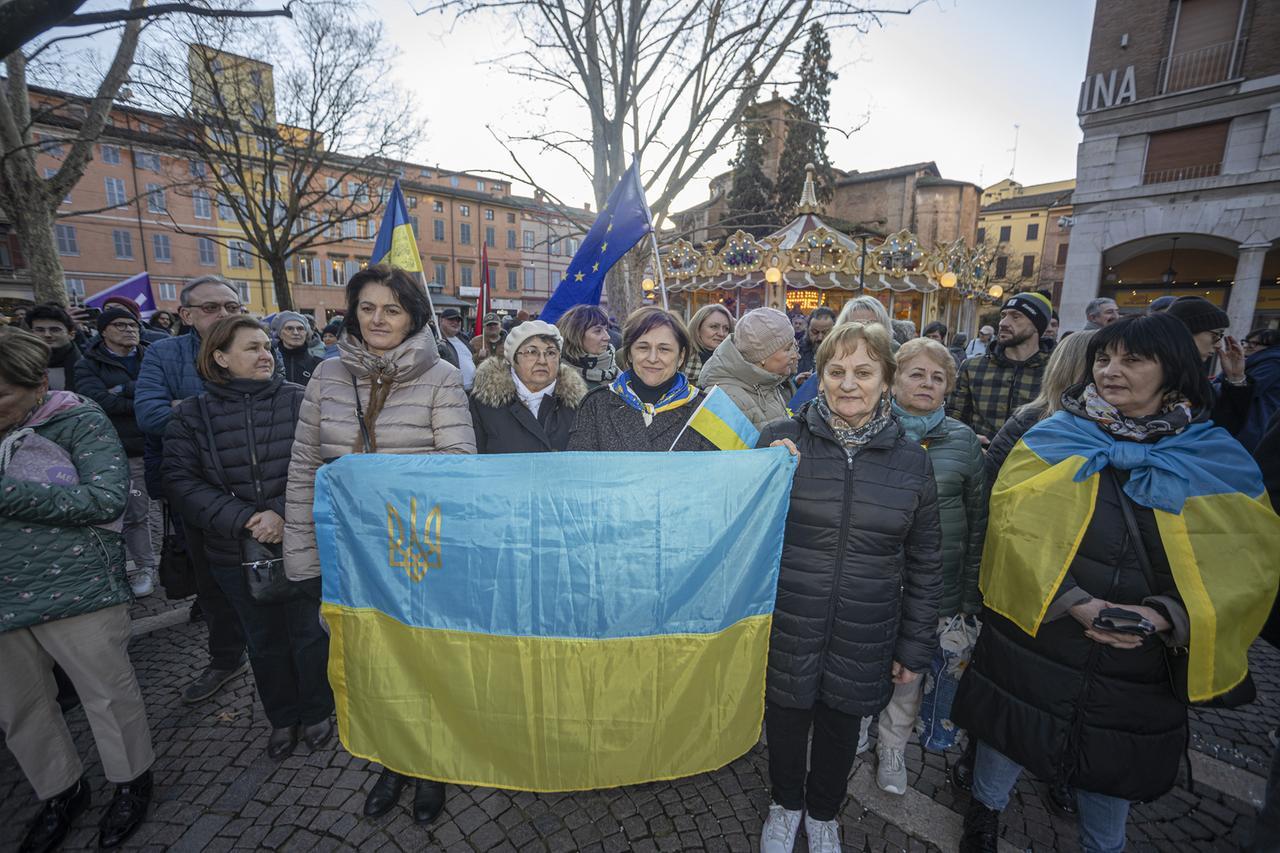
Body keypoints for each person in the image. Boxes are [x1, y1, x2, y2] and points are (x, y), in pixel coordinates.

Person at [955, 314, 1279, 853]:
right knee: (1008, 732)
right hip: (1041, 634)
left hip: (1140, 658)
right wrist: (1072, 601)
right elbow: (1009, 530)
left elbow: (1246, 564)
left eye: (1132, 360)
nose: (1110, 371)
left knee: (1111, 766)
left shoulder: (1216, 457)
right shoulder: (1054, 436)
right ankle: (983, 815)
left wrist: (1166, 616)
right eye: (1104, 359)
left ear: (1173, 370)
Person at [285, 264, 473, 825]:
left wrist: (372, 480)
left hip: (417, 545)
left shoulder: (441, 377)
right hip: (350, 550)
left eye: (391, 309)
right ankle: (393, 758)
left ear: (412, 316)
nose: (377, 319)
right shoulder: (326, 376)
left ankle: (431, 761)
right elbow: (304, 467)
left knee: (423, 654)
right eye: (367, 308)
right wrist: (303, 552)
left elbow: (459, 466)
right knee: (372, 659)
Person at [756, 321, 942, 853]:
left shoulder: (912, 461)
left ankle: (823, 813)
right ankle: (785, 804)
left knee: (841, 729)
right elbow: (741, 532)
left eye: (863, 372)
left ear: (886, 380)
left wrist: (913, 646)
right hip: (790, 618)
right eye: (835, 371)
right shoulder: (781, 440)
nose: (848, 384)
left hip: (866, 626)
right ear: (819, 378)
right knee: (785, 722)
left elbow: (926, 562)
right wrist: (762, 471)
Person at [0, 327, 156, 851]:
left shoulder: (77, 420)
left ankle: (132, 782)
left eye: (2, 394)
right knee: (20, 706)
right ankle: (60, 791)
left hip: (74, 585)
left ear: (38, 386)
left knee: (106, 693)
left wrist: (8, 493)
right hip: (3, 597)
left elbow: (106, 499)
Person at [164, 316, 333, 762]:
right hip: (233, 549)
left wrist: (281, 512)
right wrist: (246, 518)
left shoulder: (300, 400)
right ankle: (283, 717)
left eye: (266, 346)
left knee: (310, 633)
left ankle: (318, 710)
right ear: (220, 357)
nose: (265, 355)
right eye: (252, 348)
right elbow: (181, 482)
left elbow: (326, 462)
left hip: (302, 540)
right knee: (262, 641)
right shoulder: (190, 416)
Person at [135, 275, 257, 706]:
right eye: (211, 308)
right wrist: (226, 409)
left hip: (256, 484)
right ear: (186, 315)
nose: (223, 315)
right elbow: (150, 415)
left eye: (232, 307)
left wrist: (186, 408)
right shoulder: (163, 353)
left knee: (272, 575)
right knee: (212, 583)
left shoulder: (258, 344)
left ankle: (280, 660)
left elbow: (269, 404)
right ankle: (225, 658)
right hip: (196, 489)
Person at [873, 336, 986, 797]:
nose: (927, 383)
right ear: (894, 380)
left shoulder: (963, 441)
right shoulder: (870, 429)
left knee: (910, 674)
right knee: (864, 661)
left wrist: (968, 596)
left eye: (938, 378)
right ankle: (855, 728)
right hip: (877, 579)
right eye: (916, 374)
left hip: (936, 584)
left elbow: (978, 522)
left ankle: (892, 746)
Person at [73, 306, 158, 597]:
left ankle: (175, 562)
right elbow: (97, 401)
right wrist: (146, 400)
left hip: (161, 443)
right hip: (124, 448)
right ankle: (142, 567)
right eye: (120, 325)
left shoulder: (152, 355)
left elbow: (164, 393)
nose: (129, 330)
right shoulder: (88, 363)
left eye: (133, 325)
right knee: (134, 513)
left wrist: (122, 389)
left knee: (174, 508)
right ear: (103, 331)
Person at [567, 307, 717, 453]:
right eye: (643, 347)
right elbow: (580, 467)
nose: (652, 358)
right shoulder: (596, 404)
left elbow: (725, 467)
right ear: (629, 353)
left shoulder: (708, 409)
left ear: (681, 356)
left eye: (664, 349)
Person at [948, 293, 1052, 445]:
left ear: (1037, 325)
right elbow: (953, 418)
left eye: (1016, 317)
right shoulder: (973, 367)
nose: (1003, 322)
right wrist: (968, 443)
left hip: (1032, 457)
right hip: (980, 455)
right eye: (1003, 315)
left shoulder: (1055, 373)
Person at [469, 320, 588, 453]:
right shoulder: (484, 404)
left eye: (551, 353)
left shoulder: (579, 406)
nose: (542, 361)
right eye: (531, 352)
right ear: (513, 359)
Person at [1165, 296, 1253, 437]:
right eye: (1216, 335)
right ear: (1186, 333)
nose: (1218, 345)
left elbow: (1223, 429)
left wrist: (1236, 378)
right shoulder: (1154, 374)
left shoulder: (1195, 376)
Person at [788, 296, 896, 410]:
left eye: (870, 324)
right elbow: (794, 411)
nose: (863, 331)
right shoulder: (822, 376)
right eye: (854, 325)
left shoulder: (900, 372)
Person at [698, 307, 797, 429]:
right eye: (787, 349)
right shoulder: (728, 399)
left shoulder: (766, 383)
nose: (794, 355)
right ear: (763, 356)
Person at [556, 304, 620, 391]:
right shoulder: (557, 379)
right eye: (598, 331)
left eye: (606, 330)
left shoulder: (619, 371)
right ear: (576, 336)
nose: (607, 337)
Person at [1237, 329, 1280, 451]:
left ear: (1272, 347)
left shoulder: (1273, 363)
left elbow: (1244, 390)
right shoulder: (1255, 362)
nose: (1248, 346)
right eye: (1247, 342)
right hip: (1249, 424)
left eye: (1254, 344)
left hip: (1254, 425)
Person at [26, 303, 81, 393]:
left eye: (55, 330)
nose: (47, 335)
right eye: (40, 330)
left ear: (71, 334)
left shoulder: (90, 364)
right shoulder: (21, 364)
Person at [683, 304, 734, 386]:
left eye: (726, 329)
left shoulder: (734, 360)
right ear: (698, 329)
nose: (721, 333)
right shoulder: (681, 358)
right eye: (714, 326)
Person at [274, 311, 322, 385]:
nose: (296, 333)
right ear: (280, 334)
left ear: (306, 333)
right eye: (289, 328)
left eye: (300, 328)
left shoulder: (319, 365)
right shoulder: (271, 363)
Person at [437, 307, 477, 391]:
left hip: (472, 388)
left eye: (458, 320)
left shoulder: (464, 339)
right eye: (451, 319)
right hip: (452, 390)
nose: (455, 322)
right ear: (441, 320)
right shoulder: (435, 342)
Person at [795, 306, 836, 383]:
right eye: (815, 332)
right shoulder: (797, 353)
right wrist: (796, 381)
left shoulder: (843, 354)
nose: (820, 338)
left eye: (825, 332)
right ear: (807, 329)